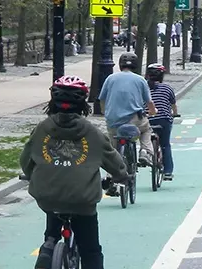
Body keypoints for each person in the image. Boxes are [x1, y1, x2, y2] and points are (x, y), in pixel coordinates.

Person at [21, 75, 128, 269]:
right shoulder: (92, 133)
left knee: (53, 211)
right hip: (83, 200)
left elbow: (26, 159)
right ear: (82, 104)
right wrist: (121, 176)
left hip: (47, 196)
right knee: (91, 250)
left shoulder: (42, 129)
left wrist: (30, 175)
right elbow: (115, 163)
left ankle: (49, 246)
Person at [98, 52, 157, 166]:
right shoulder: (140, 80)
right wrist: (153, 112)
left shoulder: (110, 78)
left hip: (114, 121)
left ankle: (114, 166)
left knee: (113, 143)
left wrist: (104, 112)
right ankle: (145, 151)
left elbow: (102, 99)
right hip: (134, 120)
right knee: (146, 130)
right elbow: (149, 102)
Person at [146, 63, 177, 180]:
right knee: (165, 145)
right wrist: (174, 114)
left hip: (148, 119)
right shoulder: (167, 88)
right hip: (164, 119)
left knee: (146, 139)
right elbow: (173, 105)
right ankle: (168, 171)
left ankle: (146, 154)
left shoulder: (144, 88)